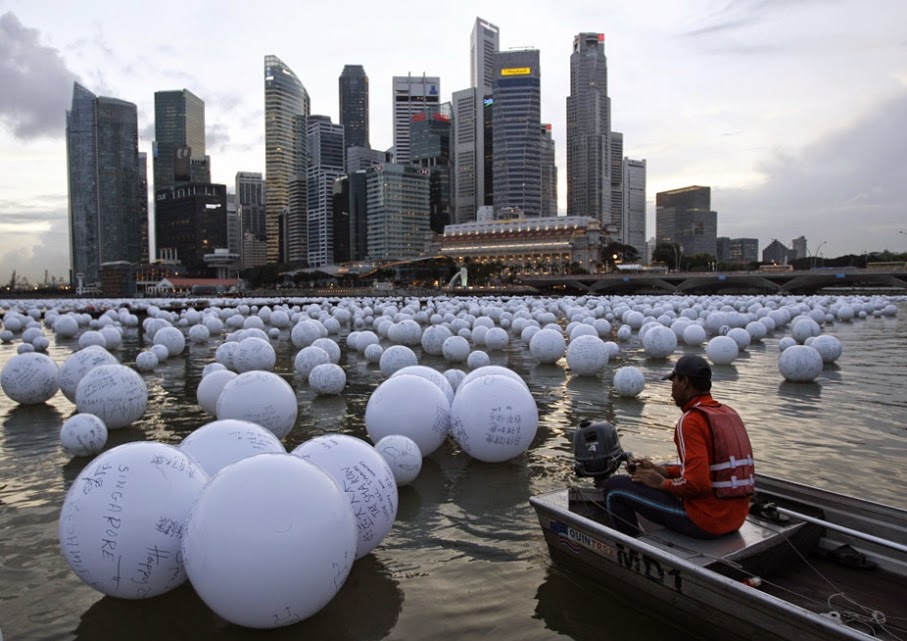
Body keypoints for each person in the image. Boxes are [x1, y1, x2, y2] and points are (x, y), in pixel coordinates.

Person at [599, 354, 755, 538]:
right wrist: (662, 471)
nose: (671, 388)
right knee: (665, 468)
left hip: (707, 521)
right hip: (735, 519)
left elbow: (696, 484)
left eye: (673, 381)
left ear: (684, 382)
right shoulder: (728, 413)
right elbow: (707, 469)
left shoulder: (691, 421)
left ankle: (630, 551)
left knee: (613, 488)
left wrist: (661, 483)